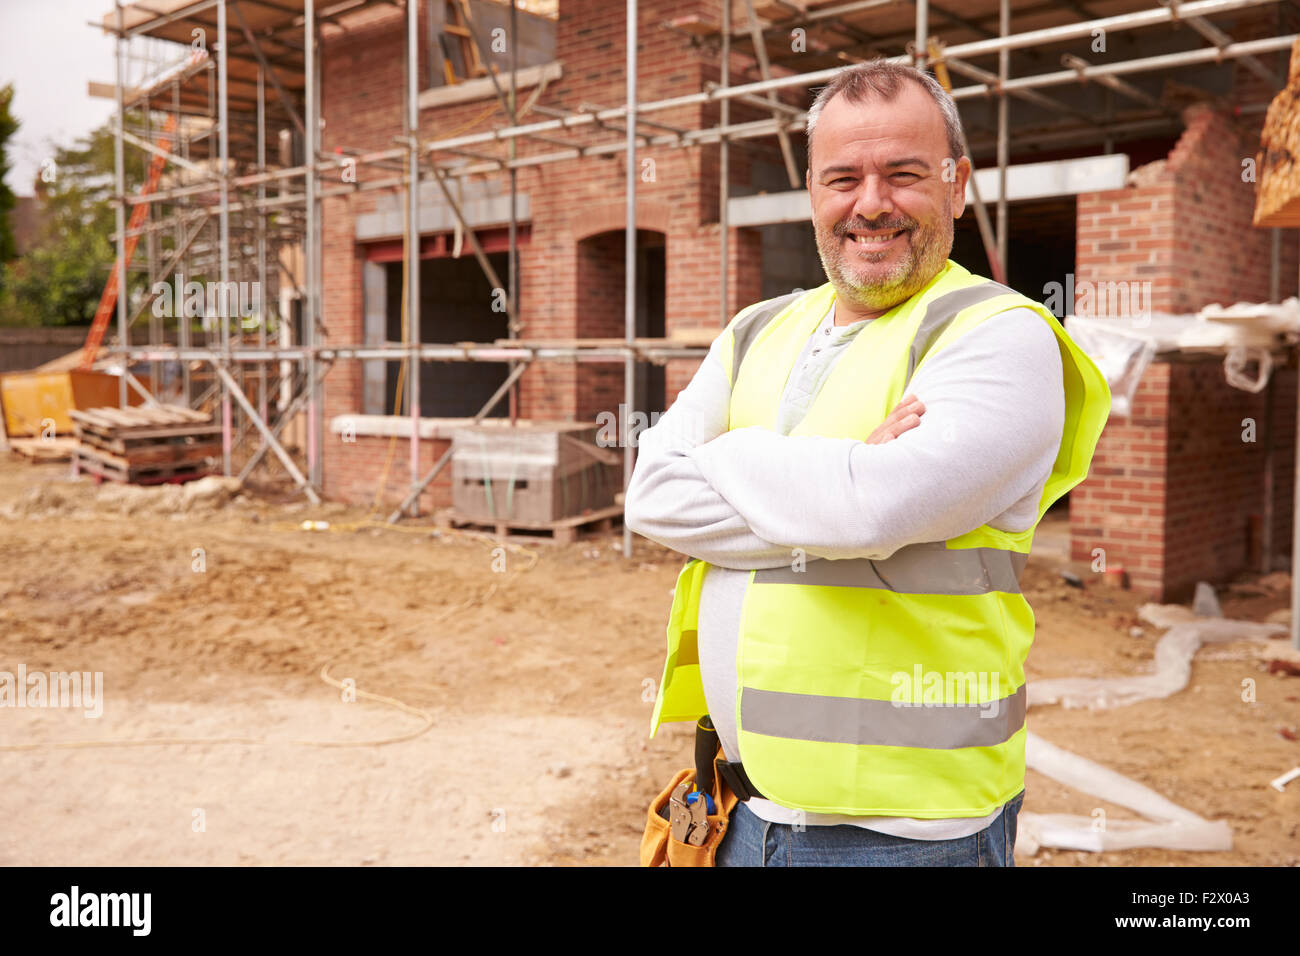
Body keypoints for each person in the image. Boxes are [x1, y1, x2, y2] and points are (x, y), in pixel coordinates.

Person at [624, 59, 1111, 867]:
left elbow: (875, 509)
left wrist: (731, 459)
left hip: (904, 835)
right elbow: (652, 496)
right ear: (813, 191)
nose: (871, 203)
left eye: (904, 174)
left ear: (957, 185)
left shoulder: (1000, 335)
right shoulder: (755, 330)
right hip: (739, 810)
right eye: (842, 178)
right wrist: (838, 475)